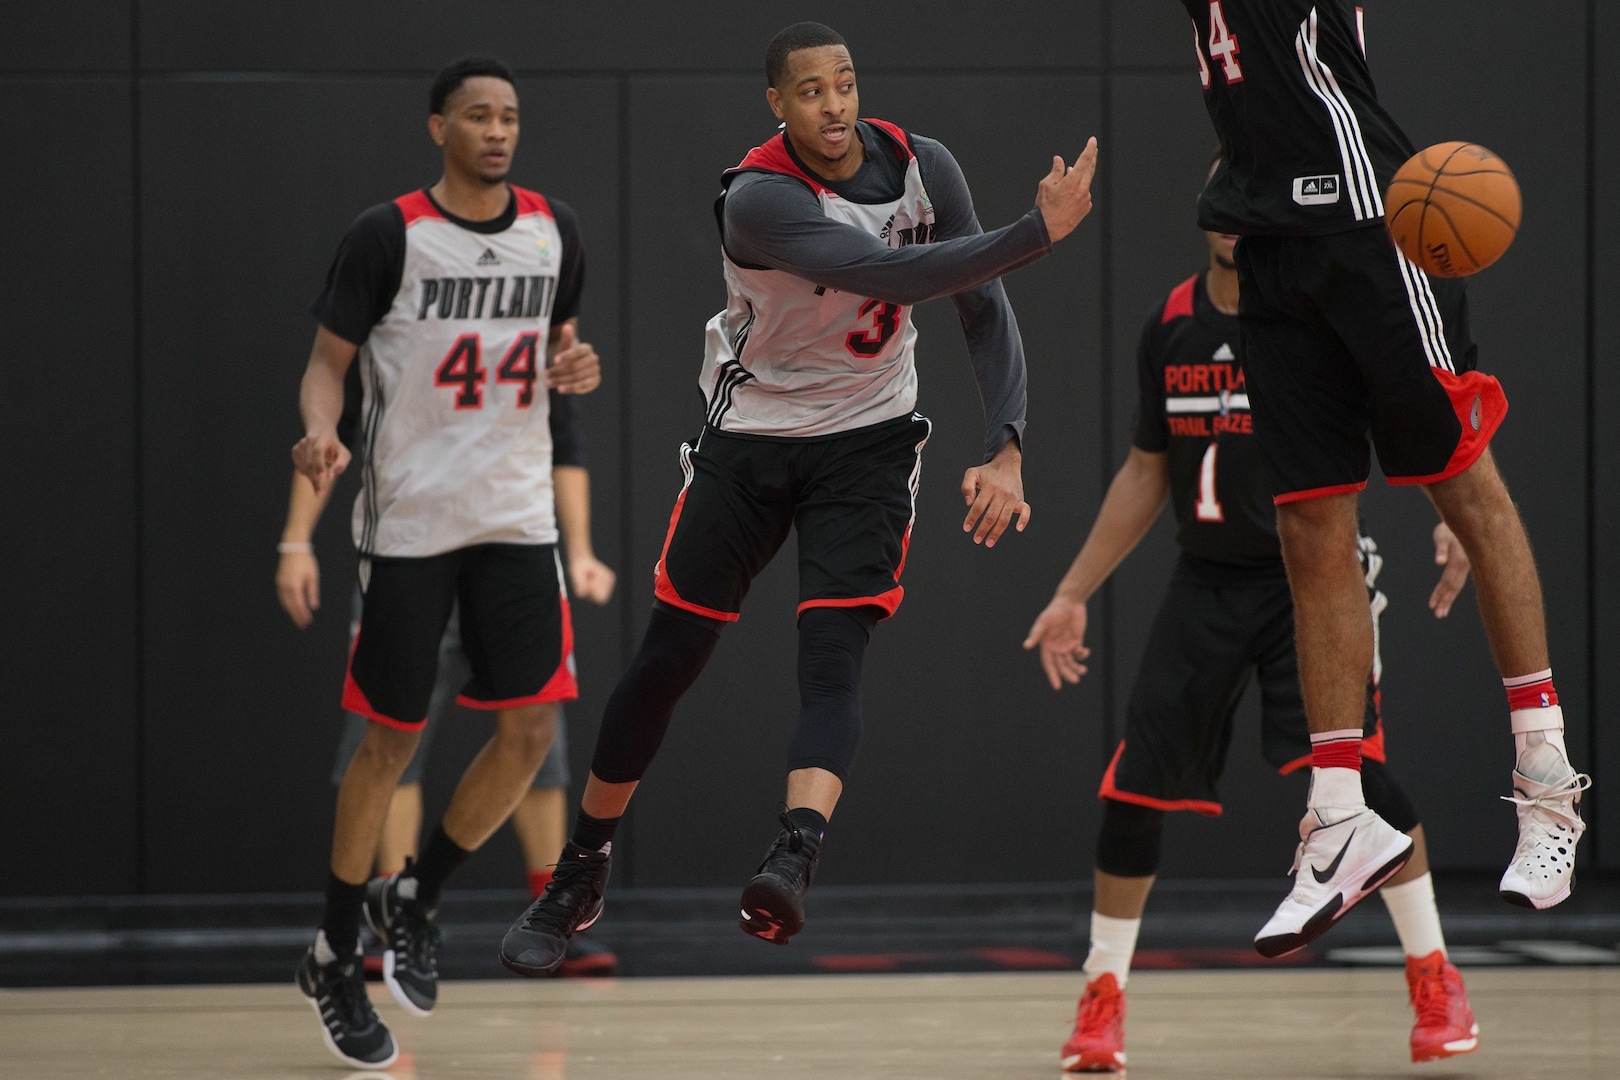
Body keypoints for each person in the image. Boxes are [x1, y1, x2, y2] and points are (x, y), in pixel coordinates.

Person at [496, 20, 1100, 977]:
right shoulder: (760, 198)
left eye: (846, 84)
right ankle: (582, 866)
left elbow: (979, 304)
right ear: (777, 104)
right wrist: (1033, 235)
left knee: (834, 647)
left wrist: (1009, 444)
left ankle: (795, 853)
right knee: (671, 654)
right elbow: (890, 272)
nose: (834, 106)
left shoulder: (921, 164)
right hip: (752, 440)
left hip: (867, 440)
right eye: (811, 91)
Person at [1156, 0, 1590, 955]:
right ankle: (1342, 812)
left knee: (1466, 486)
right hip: (1263, 237)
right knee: (1310, 524)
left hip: (1369, 219)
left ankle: (1547, 781)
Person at [1024, 197, 1479, 1071]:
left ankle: (1435, 973)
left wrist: (1452, 512)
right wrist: (1073, 590)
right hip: (1207, 581)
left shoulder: (1314, 321)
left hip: (1313, 584)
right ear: (1205, 214)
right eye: (1223, 199)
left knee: (1363, 782)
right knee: (1133, 792)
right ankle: (1102, 996)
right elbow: (1147, 468)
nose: (1236, 216)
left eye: (1252, 199)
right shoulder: (1172, 324)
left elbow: (1400, 419)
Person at [288, 55, 601, 1068]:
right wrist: (320, 435)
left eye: (510, 116)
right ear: (439, 127)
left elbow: (562, 349)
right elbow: (325, 369)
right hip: (412, 520)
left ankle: (416, 894)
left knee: (530, 732)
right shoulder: (390, 235)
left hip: (515, 516)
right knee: (387, 742)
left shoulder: (556, 231)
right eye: (478, 115)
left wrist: (575, 365)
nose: (498, 130)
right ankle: (336, 949)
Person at [275, 379, 620, 978]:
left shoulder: (532, 311)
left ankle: (549, 909)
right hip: (412, 543)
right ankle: (386, 918)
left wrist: (582, 548)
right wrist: (294, 539)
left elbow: (563, 441)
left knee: (539, 735)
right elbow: (331, 412)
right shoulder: (395, 320)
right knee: (388, 741)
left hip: (510, 542)